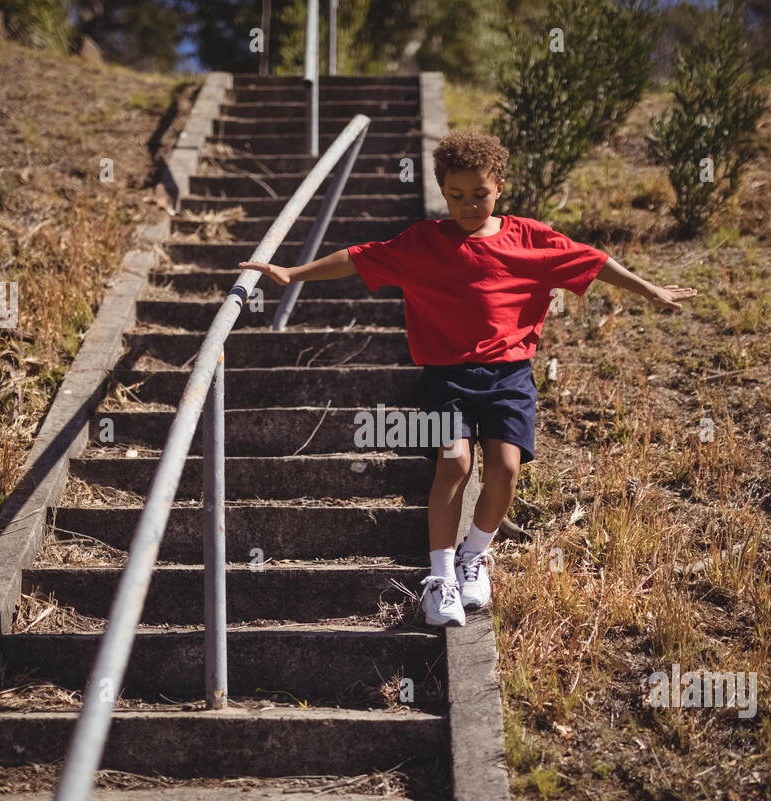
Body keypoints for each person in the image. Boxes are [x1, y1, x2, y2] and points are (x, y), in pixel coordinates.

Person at [240, 129, 697, 627]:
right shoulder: (423, 243)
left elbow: (591, 259)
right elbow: (358, 257)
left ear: (499, 186)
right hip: (446, 377)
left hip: (509, 376)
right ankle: (440, 579)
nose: (468, 206)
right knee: (454, 463)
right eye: (455, 196)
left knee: (505, 468)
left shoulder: (530, 239)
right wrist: (292, 273)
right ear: (442, 190)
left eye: (479, 195)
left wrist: (649, 289)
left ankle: (474, 554)